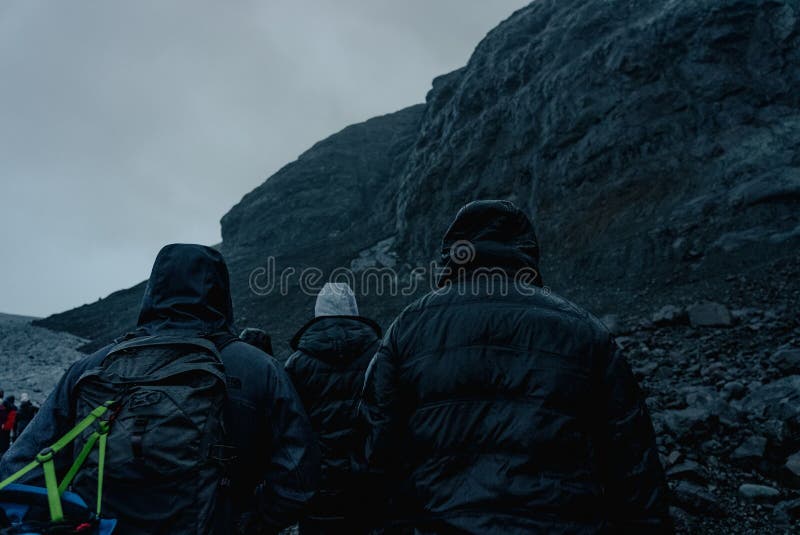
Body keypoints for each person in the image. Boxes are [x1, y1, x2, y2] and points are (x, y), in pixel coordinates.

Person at [359, 200, 671, 533]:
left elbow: (376, 447)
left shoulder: (408, 327)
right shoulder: (584, 330)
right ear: (526, 251)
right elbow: (631, 458)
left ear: (453, 254)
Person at [0, 244, 320, 534]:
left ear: (153, 289)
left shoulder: (91, 368)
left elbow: (19, 471)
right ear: (222, 292)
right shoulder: (258, 369)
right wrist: (249, 522)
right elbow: (298, 477)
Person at [285, 283, 381, 534]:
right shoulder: (380, 355)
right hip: (371, 482)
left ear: (319, 312)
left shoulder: (297, 363)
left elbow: (290, 429)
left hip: (318, 485)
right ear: (354, 310)